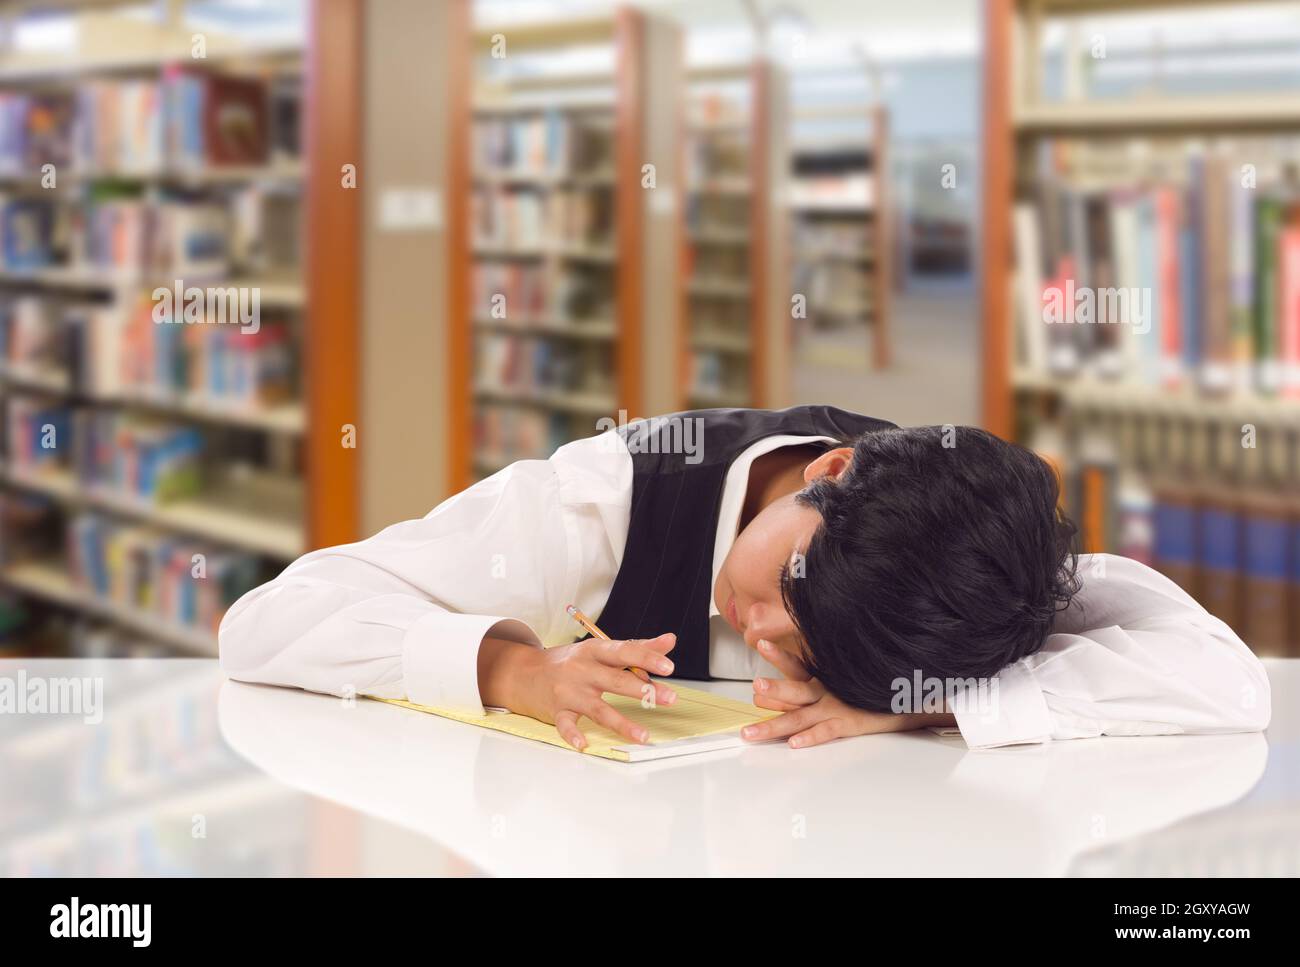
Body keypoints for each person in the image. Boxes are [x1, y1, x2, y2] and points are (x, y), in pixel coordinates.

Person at [219, 406, 1271, 751]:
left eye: (801, 651)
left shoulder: (971, 557)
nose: (756, 628)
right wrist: (511, 668)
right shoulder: (608, 498)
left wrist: (913, 703)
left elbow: (1229, 683)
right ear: (829, 472)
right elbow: (267, 622)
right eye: (779, 585)